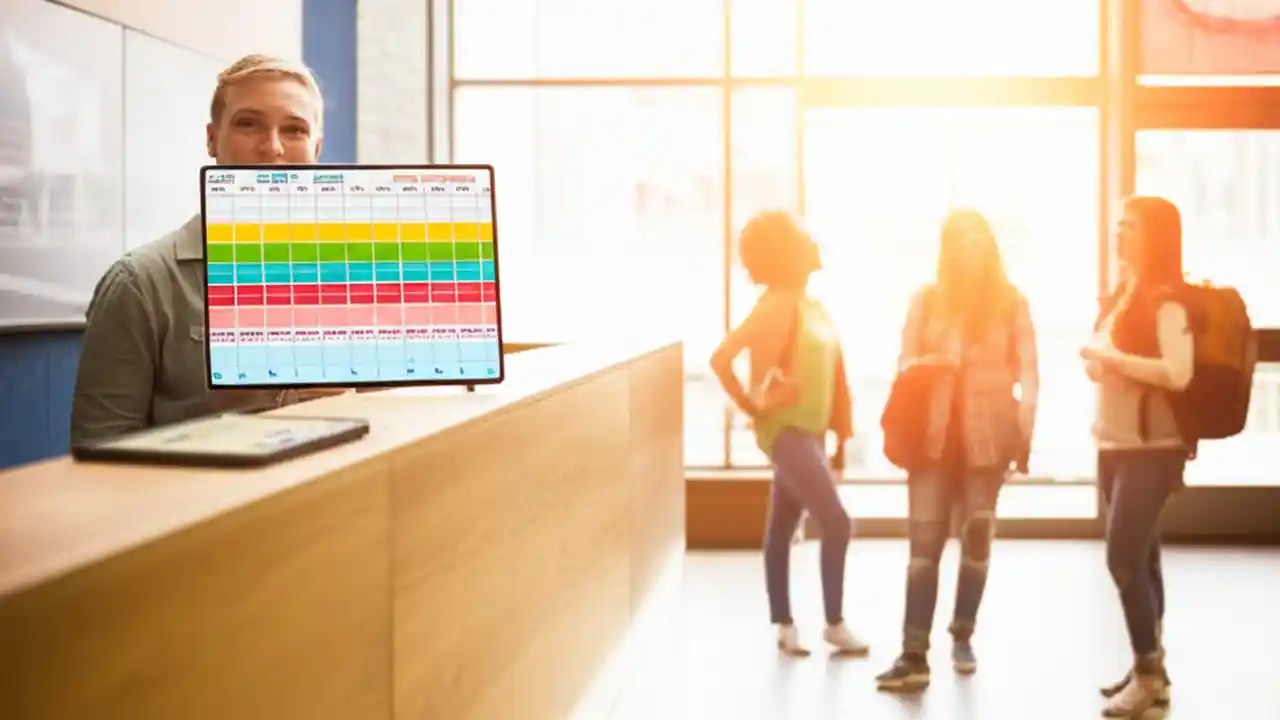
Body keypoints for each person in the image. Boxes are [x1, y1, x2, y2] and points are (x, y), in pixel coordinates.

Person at [70, 54, 329, 445]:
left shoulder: (361, 277)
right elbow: (98, 454)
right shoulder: (139, 284)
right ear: (212, 139)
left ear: (316, 150)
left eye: (294, 130)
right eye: (248, 124)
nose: (273, 147)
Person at [876, 209, 1038, 692]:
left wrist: (1024, 436)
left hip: (988, 440)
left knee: (976, 539)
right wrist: (932, 363)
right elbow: (904, 363)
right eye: (959, 242)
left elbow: (1030, 375)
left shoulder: (1011, 304)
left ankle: (962, 633)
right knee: (923, 547)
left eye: (976, 241)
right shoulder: (927, 301)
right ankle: (913, 653)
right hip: (932, 439)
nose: (969, 250)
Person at [709, 211, 867, 657]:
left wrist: (839, 442)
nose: (812, 246)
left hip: (811, 433)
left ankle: (784, 626)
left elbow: (837, 380)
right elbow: (721, 358)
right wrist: (752, 407)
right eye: (802, 241)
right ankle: (834, 624)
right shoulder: (774, 306)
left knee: (781, 526)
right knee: (837, 523)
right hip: (787, 432)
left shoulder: (813, 308)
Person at [1083, 196, 1191, 717]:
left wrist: (1113, 359)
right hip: (1116, 443)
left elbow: (1178, 373)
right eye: (1119, 224)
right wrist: (1102, 364)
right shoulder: (1126, 294)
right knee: (1143, 557)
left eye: (1131, 226)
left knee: (1122, 557)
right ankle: (1152, 668)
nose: (1119, 232)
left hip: (1152, 449)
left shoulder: (1167, 301)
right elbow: (1114, 361)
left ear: (1156, 236)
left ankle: (1147, 674)